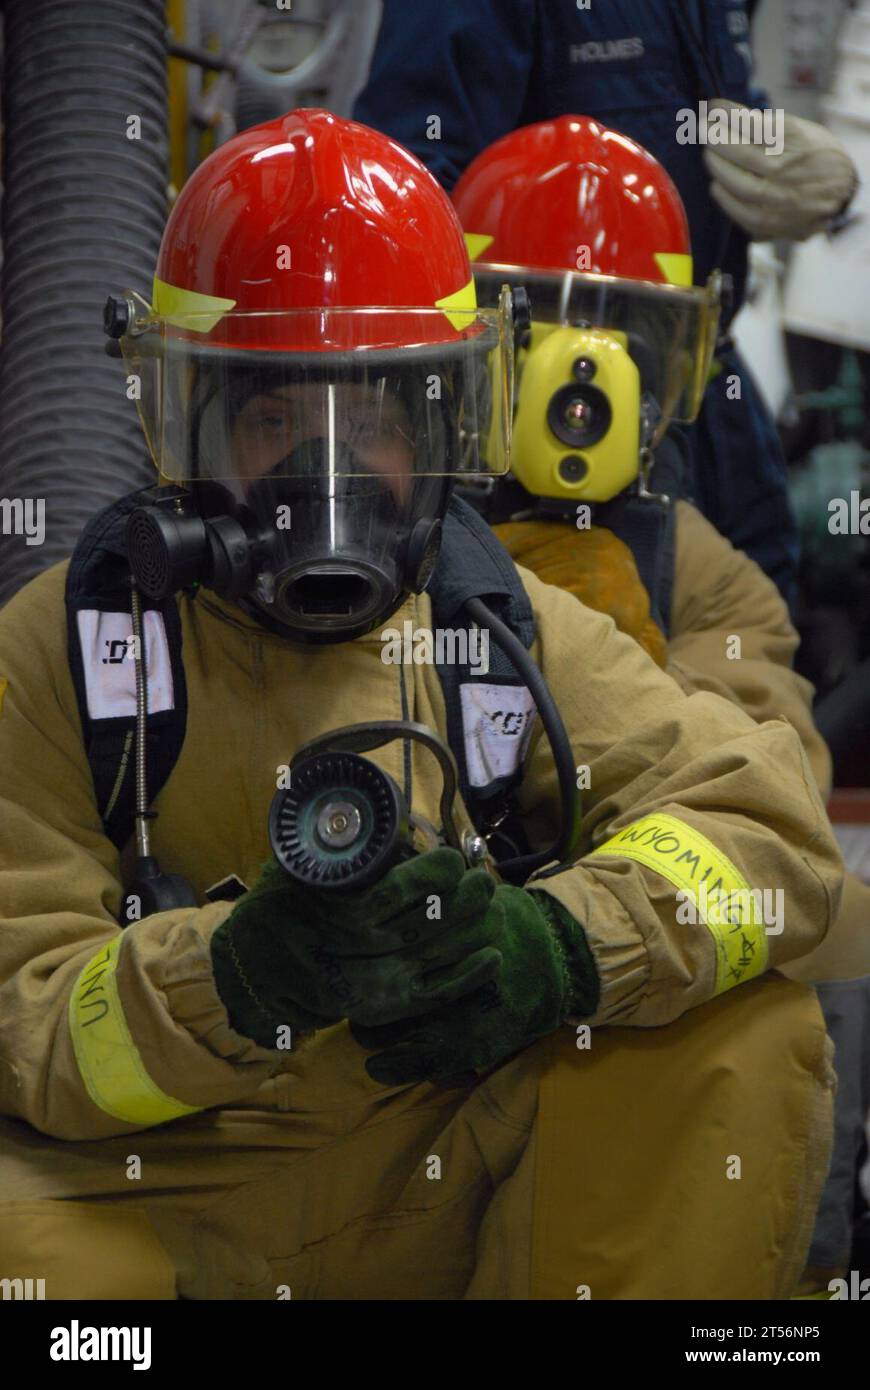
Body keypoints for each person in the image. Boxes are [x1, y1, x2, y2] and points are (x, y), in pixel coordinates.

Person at [0, 109, 844, 1301]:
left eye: (377, 418)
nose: (329, 471)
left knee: (742, 1039)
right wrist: (229, 975)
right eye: (277, 414)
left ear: (447, 421)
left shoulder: (492, 620)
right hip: (171, 1193)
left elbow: (774, 835)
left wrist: (555, 948)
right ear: (185, 428)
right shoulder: (69, 647)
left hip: (430, 1168)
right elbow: (18, 1004)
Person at [451, 112, 870, 1288]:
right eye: (538, 335)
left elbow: (768, 799)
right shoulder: (402, 535)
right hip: (437, 993)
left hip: (616, 969)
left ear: (680, 366)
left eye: (628, 338)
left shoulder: (703, 567)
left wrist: (623, 648)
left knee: (814, 959)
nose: (581, 380)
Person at [353, 0, 858, 614]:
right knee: (572, 657)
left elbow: (705, 111)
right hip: (546, 433)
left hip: (695, 386)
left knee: (749, 625)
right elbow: (402, 194)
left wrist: (801, 167)